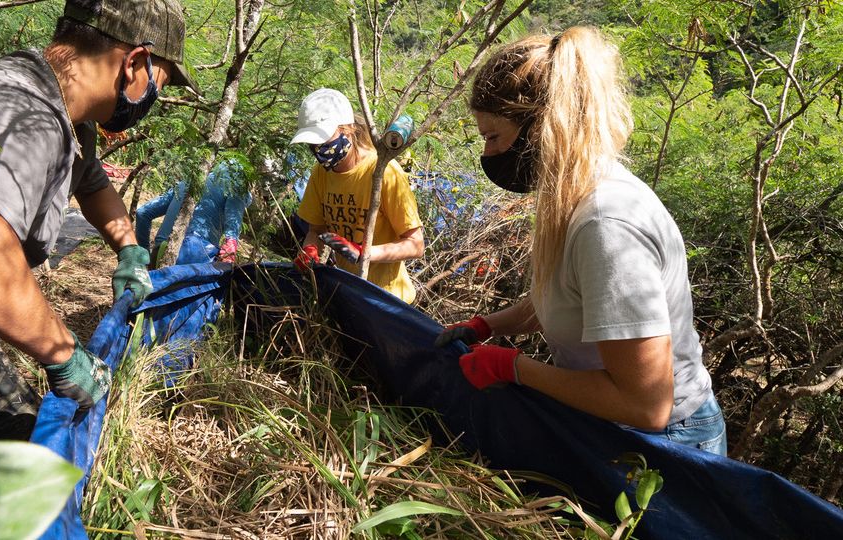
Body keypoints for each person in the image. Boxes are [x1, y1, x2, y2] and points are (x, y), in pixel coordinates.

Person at [0, 0, 195, 476]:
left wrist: (128, 248)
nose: (154, 96)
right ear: (135, 63)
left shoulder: (48, 99)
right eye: (161, 82)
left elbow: (91, 183)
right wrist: (63, 353)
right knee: (39, 476)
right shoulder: (23, 113)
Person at [434, 27, 726, 455]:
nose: (489, 154)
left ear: (540, 128)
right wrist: (489, 326)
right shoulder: (569, 197)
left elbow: (647, 405)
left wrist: (511, 366)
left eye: (494, 136)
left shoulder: (606, 224)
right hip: (616, 429)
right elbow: (568, 298)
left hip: (667, 444)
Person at [290, 88, 425, 304]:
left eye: (324, 139)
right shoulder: (320, 173)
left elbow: (415, 245)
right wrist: (310, 248)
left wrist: (364, 252)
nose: (318, 148)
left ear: (348, 129)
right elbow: (316, 229)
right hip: (350, 295)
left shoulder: (383, 172)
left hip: (389, 301)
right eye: (313, 143)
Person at [135, 159, 253, 266]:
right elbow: (233, 217)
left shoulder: (186, 183)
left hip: (160, 250)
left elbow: (142, 213)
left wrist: (145, 259)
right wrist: (231, 244)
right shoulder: (237, 185)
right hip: (194, 250)